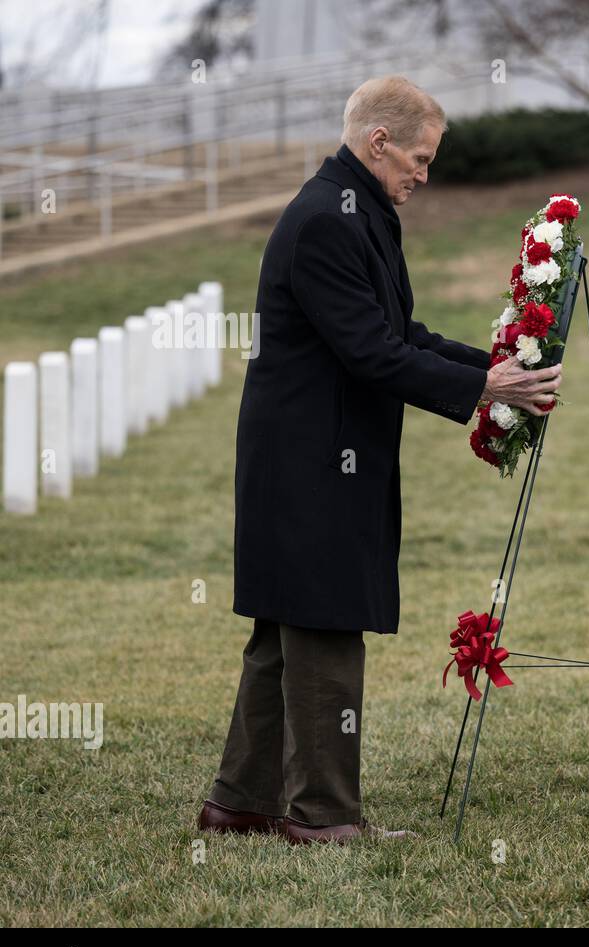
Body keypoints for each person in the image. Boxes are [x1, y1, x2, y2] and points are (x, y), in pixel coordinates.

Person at [197, 75, 562, 844]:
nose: (425, 175)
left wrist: (496, 367)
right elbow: (370, 353)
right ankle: (324, 818)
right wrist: (483, 384)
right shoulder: (329, 220)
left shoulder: (353, 210)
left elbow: (401, 332)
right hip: (311, 464)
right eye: (420, 159)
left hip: (309, 457)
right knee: (323, 621)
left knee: (281, 632)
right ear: (379, 143)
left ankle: (240, 801)